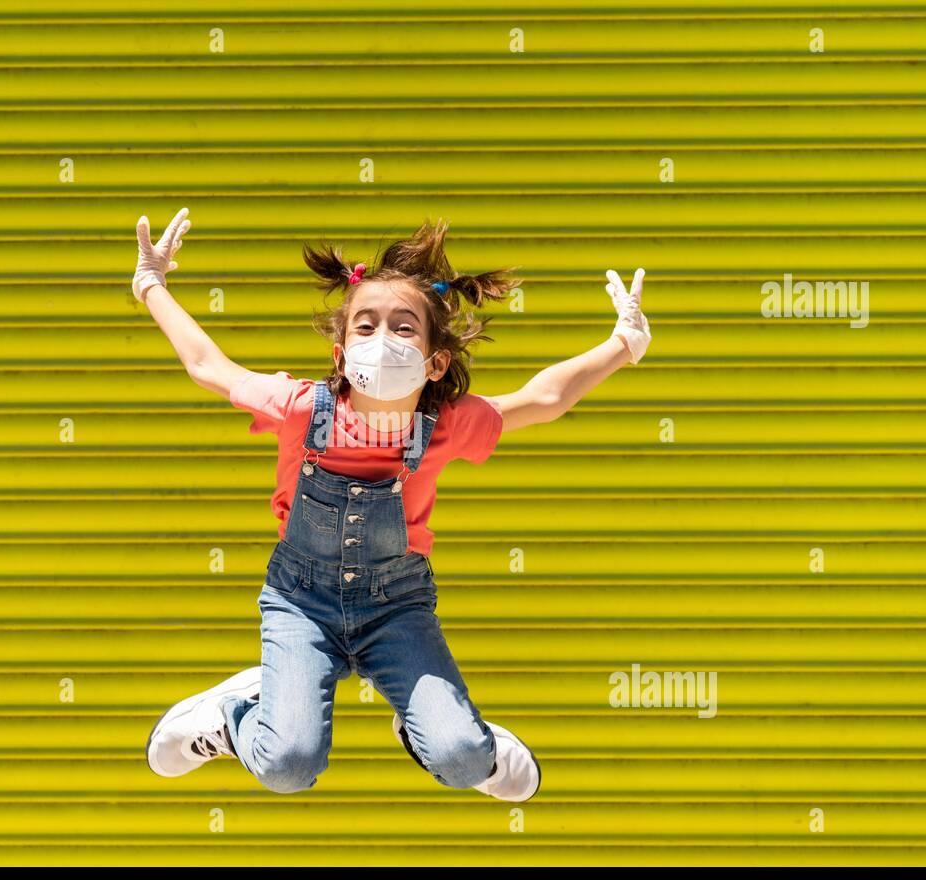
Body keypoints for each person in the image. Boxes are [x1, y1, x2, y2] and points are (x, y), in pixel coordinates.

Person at [137, 208, 651, 802]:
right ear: (339, 354)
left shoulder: (447, 426)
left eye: (404, 328)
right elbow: (208, 366)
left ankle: (435, 732)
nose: (383, 340)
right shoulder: (303, 409)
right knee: (288, 765)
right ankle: (232, 717)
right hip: (302, 605)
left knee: (463, 760)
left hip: (396, 609)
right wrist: (151, 283)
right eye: (365, 326)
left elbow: (545, 398)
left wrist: (623, 345)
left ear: (435, 360)